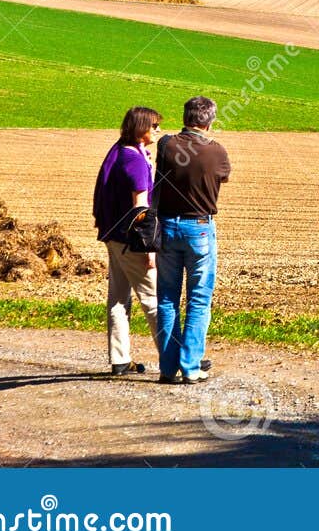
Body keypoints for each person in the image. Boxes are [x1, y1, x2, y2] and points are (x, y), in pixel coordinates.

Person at [154, 95, 231, 384]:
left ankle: (167, 367)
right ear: (210, 121)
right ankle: (190, 366)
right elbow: (224, 177)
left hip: (167, 227)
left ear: (185, 117)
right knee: (198, 300)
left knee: (167, 298)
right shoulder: (218, 152)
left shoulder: (167, 145)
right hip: (199, 228)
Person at [93, 106, 163, 377]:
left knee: (119, 299)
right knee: (153, 299)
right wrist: (149, 249)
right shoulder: (133, 160)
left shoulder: (120, 151)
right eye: (154, 126)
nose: (158, 130)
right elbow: (140, 208)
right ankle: (176, 358)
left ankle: (120, 359)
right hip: (130, 241)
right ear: (140, 129)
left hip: (114, 236)